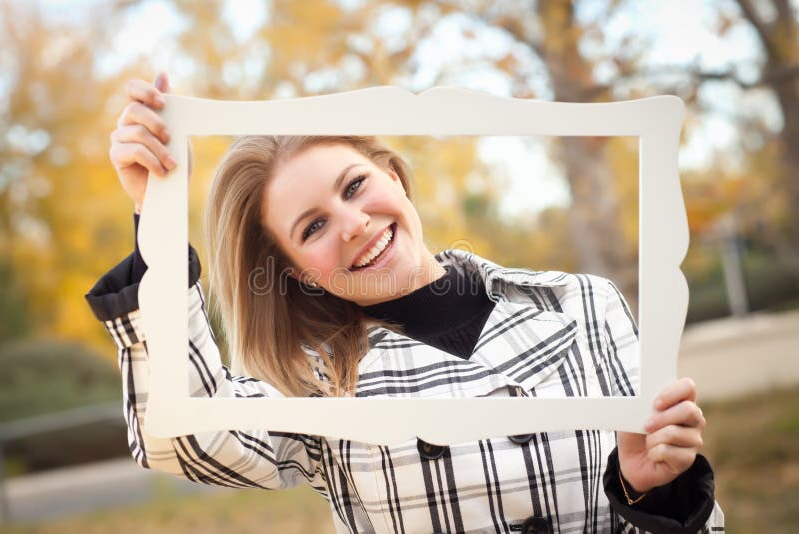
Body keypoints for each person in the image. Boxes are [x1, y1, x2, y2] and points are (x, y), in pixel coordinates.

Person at [87, 73, 725, 533]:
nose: (354, 223)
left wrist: (656, 497)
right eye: (312, 227)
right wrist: (159, 220)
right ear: (297, 272)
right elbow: (187, 435)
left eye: (355, 185)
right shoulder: (314, 385)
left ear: (392, 174)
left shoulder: (585, 303)